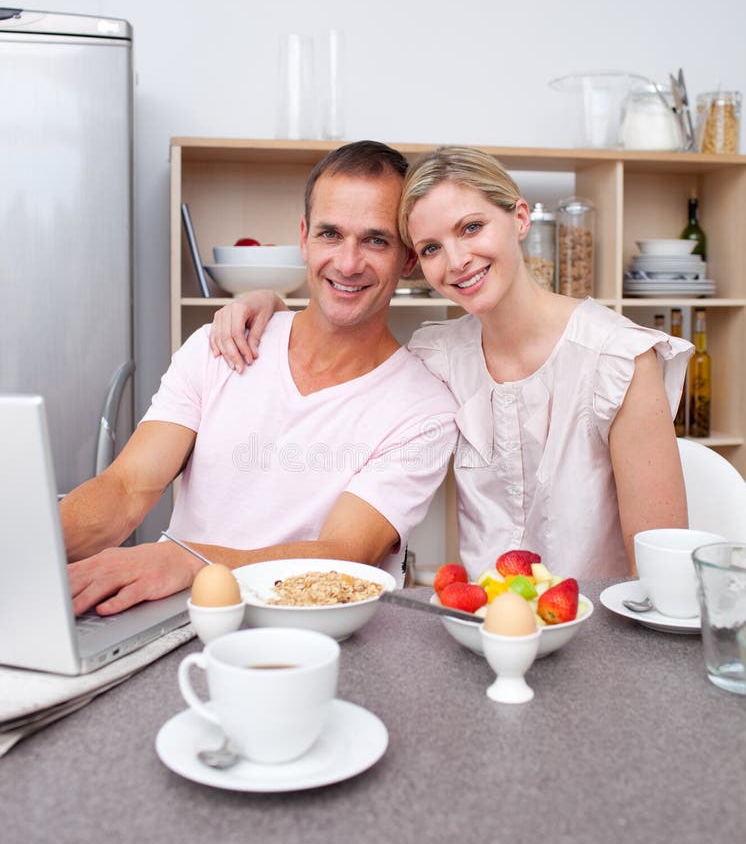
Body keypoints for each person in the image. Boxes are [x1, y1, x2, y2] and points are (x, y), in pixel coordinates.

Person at [210, 146, 692, 580]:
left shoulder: (618, 360)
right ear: (415, 263)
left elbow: (661, 576)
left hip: (594, 638)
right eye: (432, 248)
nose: (457, 261)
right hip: (481, 633)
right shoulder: (438, 358)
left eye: (472, 228)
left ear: (520, 218)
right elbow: (343, 336)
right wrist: (267, 302)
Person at [61, 140, 457, 616]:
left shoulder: (424, 408)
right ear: (305, 237)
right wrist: (27, 552)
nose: (348, 263)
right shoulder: (222, 346)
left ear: (408, 258)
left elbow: (345, 555)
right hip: (178, 620)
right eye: (331, 234)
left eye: (376, 240)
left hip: (322, 634)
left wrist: (189, 561)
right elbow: (126, 490)